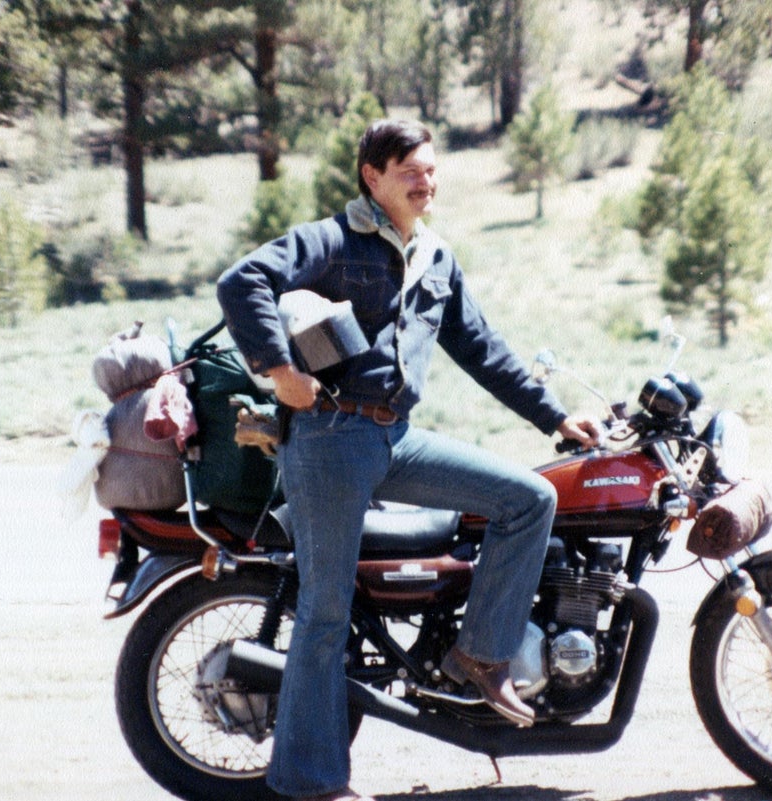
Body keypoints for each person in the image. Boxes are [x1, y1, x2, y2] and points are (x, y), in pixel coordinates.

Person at [217, 119, 601, 801]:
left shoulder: (435, 256)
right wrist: (279, 370)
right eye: (409, 172)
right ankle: (310, 782)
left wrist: (555, 416)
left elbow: (483, 349)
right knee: (326, 611)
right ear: (373, 176)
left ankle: (481, 655)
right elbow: (242, 280)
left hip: (396, 437)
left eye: (430, 170)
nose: (425, 183)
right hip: (331, 438)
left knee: (530, 498)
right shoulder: (333, 241)